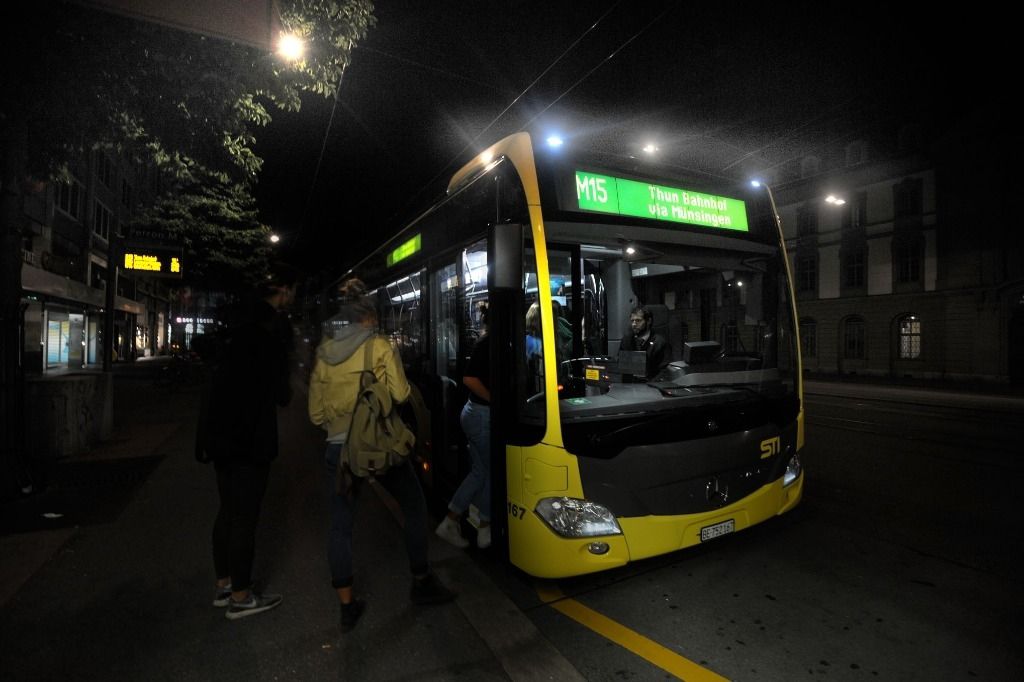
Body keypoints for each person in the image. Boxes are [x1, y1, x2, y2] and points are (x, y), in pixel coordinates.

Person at [308, 278, 455, 634]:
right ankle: (421, 581)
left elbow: (315, 415)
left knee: (341, 525)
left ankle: (347, 607)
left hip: (339, 452)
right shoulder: (379, 347)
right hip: (377, 446)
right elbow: (402, 394)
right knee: (414, 505)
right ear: (367, 319)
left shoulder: (325, 352)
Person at [196, 261, 297, 621]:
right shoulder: (269, 335)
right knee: (245, 517)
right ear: (282, 292)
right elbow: (282, 394)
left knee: (226, 510)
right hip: (250, 438)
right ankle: (241, 597)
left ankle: (224, 585)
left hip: (220, 435)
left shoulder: (232, 329)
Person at [435, 303, 492, 550]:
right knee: (489, 472)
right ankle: (484, 527)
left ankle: (454, 521)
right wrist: (494, 400)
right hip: (481, 415)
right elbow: (469, 378)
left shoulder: (487, 340)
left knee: (480, 471)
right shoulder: (488, 342)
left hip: (475, 414)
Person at [619, 305, 672, 378]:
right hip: (628, 385)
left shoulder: (660, 343)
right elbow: (620, 366)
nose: (634, 324)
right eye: (632, 321)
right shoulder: (626, 341)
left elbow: (664, 371)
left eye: (638, 320)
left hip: (650, 385)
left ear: (649, 321)